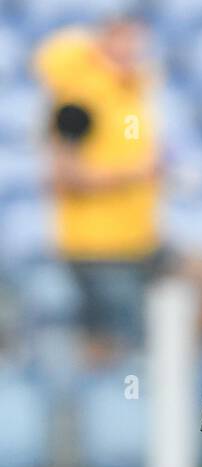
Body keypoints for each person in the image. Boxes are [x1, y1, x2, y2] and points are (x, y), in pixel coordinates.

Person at [33, 14, 161, 363]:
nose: (132, 50)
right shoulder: (79, 96)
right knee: (117, 347)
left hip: (136, 239)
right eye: (122, 41)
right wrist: (132, 173)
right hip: (98, 246)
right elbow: (63, 175)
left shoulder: (130, 91)